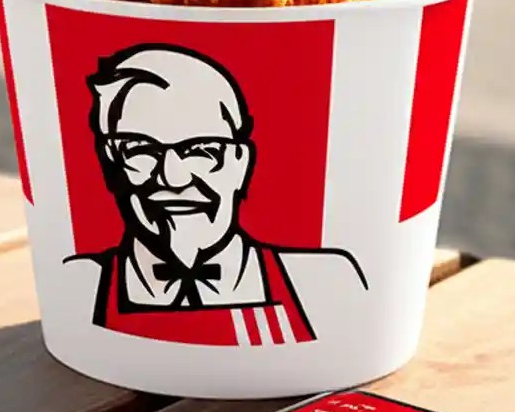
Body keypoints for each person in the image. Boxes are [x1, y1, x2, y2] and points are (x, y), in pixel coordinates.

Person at [65, 43, 367, 346]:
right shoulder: (81, 284)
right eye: (140, 149)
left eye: (202, 150)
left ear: (241, 163)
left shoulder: (323, 280)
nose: (174, 178)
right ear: (108, 163)